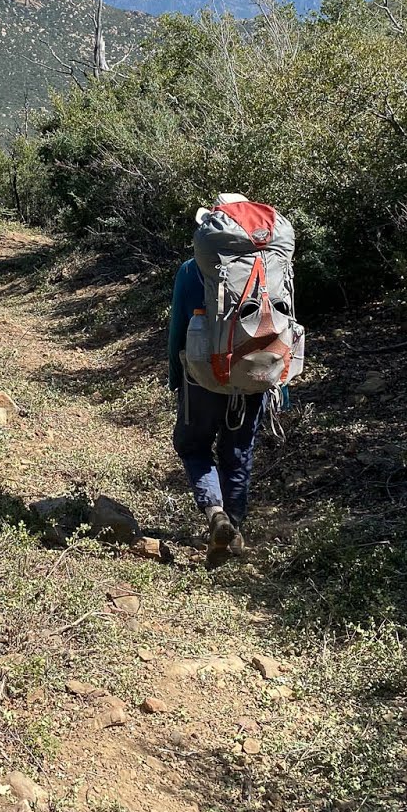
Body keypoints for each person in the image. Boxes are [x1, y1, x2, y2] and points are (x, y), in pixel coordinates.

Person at [167, 192, 268, 569]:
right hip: (255, 375)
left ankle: (216, 515)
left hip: (203, 377)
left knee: (193, 446)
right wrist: (279, 384)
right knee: (237, 452)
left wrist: (175, 376)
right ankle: (233, 530)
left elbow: (178, 330)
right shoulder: (269, 270)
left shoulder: (191, 270)